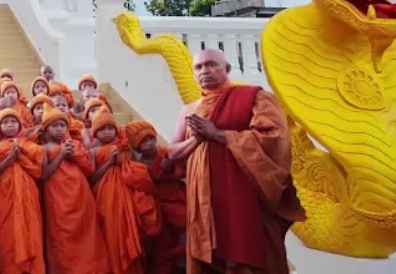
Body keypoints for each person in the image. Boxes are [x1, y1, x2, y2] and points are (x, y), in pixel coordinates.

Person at [169, 49, 304, 274]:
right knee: (207, 258)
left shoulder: (254, 97)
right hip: (203, 198)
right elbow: (172, 153)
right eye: (199, 67)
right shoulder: (189, 110)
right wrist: (197, 140)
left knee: (244, 256)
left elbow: (274, 138)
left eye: (211, 64)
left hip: (241, 195)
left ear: (227, 69)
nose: (205, 71)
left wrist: (219, 134)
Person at [40, 109, 108, 274]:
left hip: (81, 195)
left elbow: (90, 171)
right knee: (63, 236)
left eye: (63, 125)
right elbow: (45, 174)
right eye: (55, 125)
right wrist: (62, 154)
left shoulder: (75, 144)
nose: (59, 129)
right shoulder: (43, 148)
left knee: (87, 235)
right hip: (57, 197)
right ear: (47, 129)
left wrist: (74, 154)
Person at [89, 111, 146, 274]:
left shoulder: (124, 147)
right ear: (95, 133)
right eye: (102, 129)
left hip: (126, 195)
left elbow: (136, 170)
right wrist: (109, 162)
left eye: (110, 128)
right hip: (105, 199)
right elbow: (92, 178)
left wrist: (121, 160)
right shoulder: (92, 152)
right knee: (111, 235)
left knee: (130, 230)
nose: (107, 131)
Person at [0, 109, 45, 274]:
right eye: (5, 122)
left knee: (31, 231)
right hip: (5, 194)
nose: (9, 125)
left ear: (20, 124)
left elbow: (38, 172)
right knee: (8, 236)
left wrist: (20, 157)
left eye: (13, 122)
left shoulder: (29, 145)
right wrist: (9, 158)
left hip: (28, 192)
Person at [127, 120, 186, 274]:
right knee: (161, 243)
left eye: (151, 138)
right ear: (137, 146)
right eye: (144, 141)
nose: (149, 143)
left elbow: (182, 171)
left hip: (175, 199)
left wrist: (171, 167)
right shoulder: (138, 164)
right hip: (156, 205)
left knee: (180, 233)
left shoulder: (165, 152)